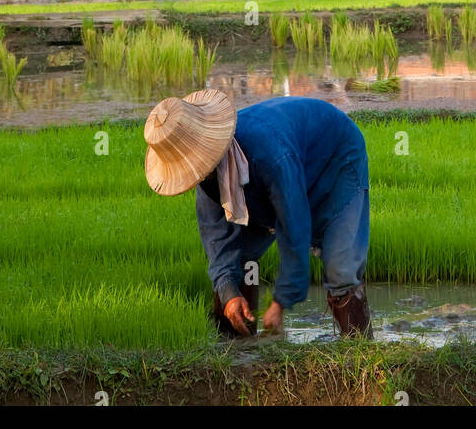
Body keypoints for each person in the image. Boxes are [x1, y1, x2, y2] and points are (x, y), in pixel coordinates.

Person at [143, 91, 372, 337]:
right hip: (267, 176)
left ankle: (358, 356)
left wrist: (280, 303)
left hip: (335, 154)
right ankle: (240, 352)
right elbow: (218, 243)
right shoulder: (208, 180)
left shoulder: (271, 156)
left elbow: (295, 226)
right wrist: (230, 295)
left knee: (341, 270)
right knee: (239, 263)